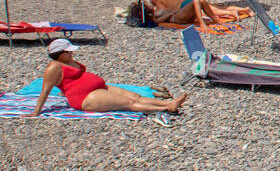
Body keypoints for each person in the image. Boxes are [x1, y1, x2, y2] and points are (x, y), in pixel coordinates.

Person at [26, 39, 188, 119]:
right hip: (84, 98)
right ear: (60, 54)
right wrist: (36, 112)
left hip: (98, 88)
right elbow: (45, 91)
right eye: (68, 52)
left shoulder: (68, 61)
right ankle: (165, 108)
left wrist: (64, 91)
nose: (72, 54)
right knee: (129, 104)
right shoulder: (54, 67)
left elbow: (68, 82)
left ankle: (168, 103)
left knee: (135, 96)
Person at [146, 0, 243, 30]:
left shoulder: (159, 4)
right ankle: (202, 23)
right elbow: (157, 21)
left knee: (201, 1)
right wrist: (171, 13)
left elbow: (160, 17)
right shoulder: (155, 12)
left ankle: (216, 20)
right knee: (199, 2)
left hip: (180, 13)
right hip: (176, 17)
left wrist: (171, 12)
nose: (150, 2)